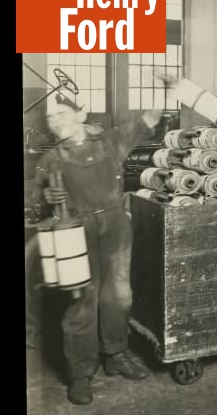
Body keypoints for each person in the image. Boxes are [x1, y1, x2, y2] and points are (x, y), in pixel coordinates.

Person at [30, 94, 162, 405]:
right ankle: (80, 374)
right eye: (51, 118)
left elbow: (150, 119)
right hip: (76, 234)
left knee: (118, 296)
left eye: (62, 113)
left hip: (116, 226)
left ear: (81, 113)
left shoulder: (110, 142)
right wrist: (46, 195)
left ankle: (115, 354)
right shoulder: (50, 160)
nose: (55, 121)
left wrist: (167, 90)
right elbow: (33, 201)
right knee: (82, 304)